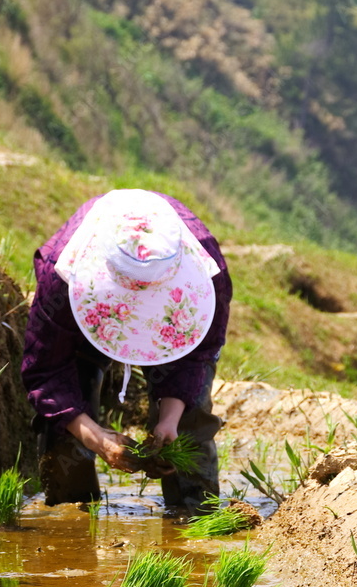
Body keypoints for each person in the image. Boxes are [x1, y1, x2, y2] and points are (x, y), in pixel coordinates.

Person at [21, 188, 232, 512]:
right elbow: (48, 372)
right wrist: (97, 438)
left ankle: (194, 516)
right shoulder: (61, 276)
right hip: (81, 327)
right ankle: (70, 514)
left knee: (190, 420)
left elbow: (197, 355)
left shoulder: (208, 274)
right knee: (68, 430)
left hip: (178, 323)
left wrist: (170, 421)